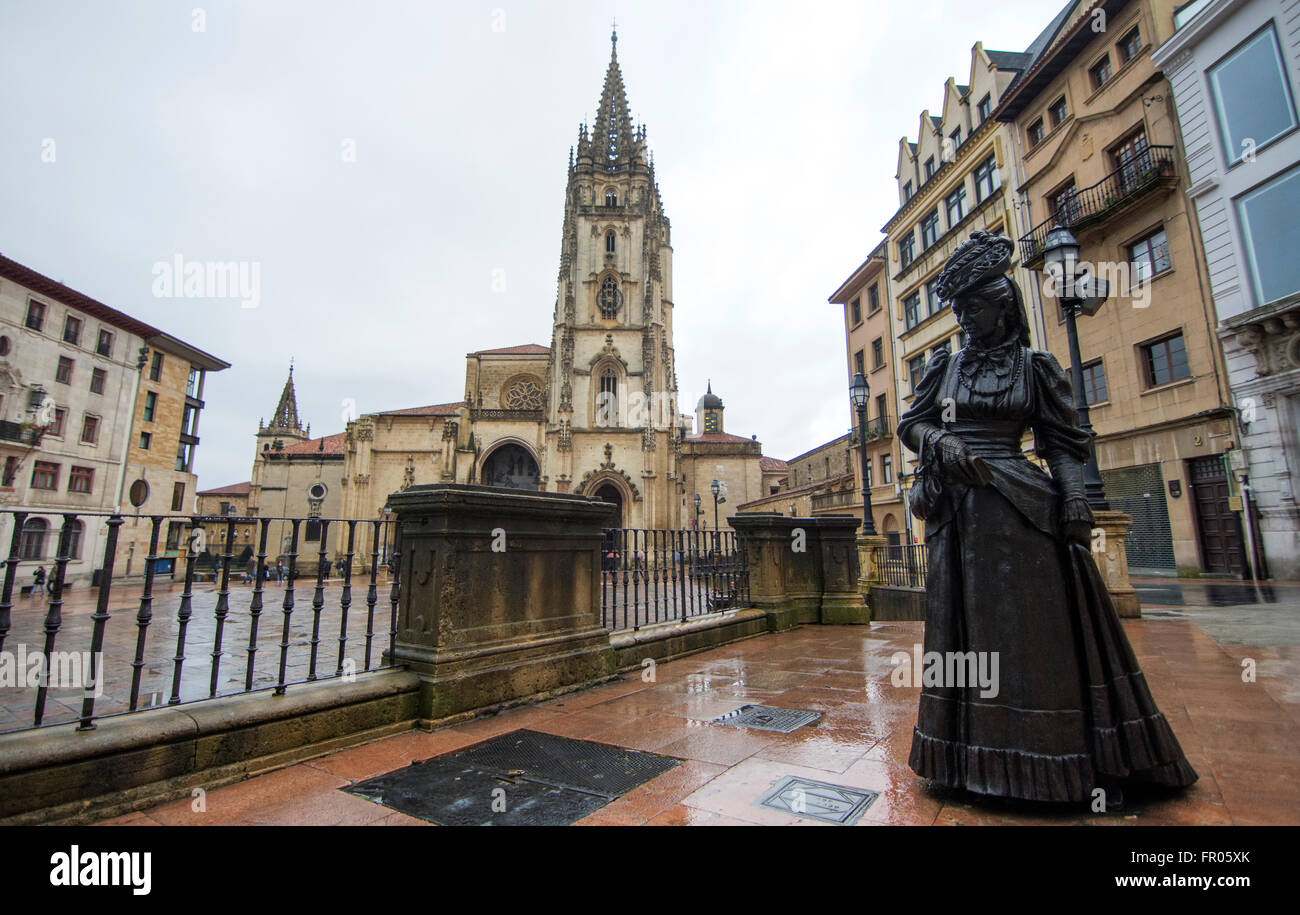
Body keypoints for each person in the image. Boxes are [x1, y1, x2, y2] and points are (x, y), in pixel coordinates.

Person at [897, 230, 1197, 805]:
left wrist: (1075, 497)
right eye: (959, 310)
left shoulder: (1033, 366)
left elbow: (1062, 439)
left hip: (1017, 505)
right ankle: (963, 758)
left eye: (974, 309)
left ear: (1002, 306)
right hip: (958, 517)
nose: (964, 319)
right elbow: (911, 423)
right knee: (964, 630)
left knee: (1030, 630)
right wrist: (941, 443)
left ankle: (1044, 758)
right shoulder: (947, 367)